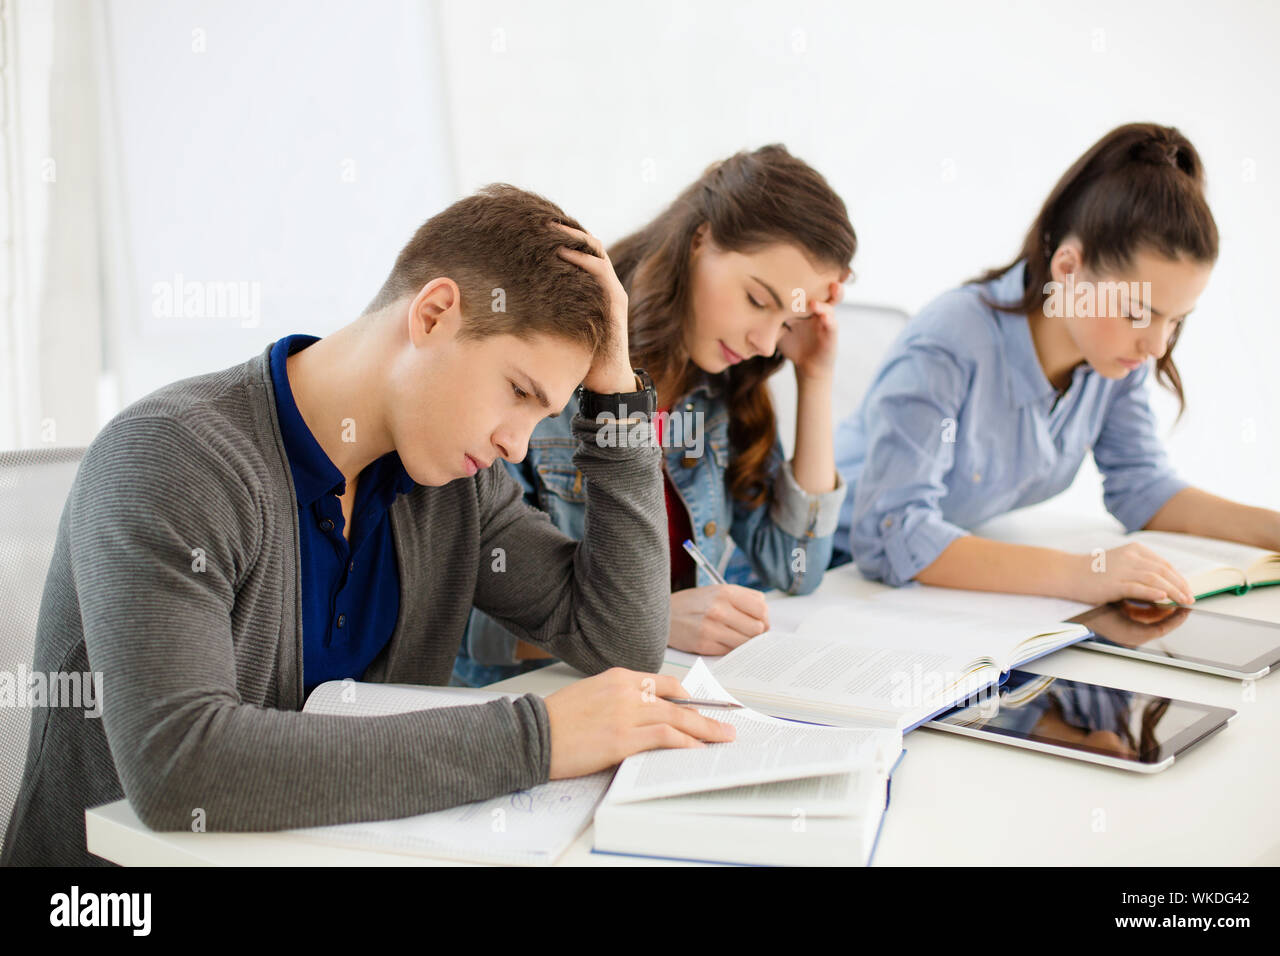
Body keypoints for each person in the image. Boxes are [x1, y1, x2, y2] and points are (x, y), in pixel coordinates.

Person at [1, 185, 734, 867]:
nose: (517, 442)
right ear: (434, 313)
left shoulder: (454, 485)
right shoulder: (171, 456)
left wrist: (616, 391)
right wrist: (536, 740)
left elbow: (620, 640)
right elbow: (180, 766)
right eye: (518, 391)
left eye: (543, 413)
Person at [834, 123, 1280, 603]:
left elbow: (1143, 487)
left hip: (914, 591)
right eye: (1138, 311)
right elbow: (892, 532)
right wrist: (1082, 574)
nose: (1157, 346)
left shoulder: (1112, 358)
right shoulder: (950, 340)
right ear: (1069, 270)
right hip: (821, 572)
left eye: (1176, 321)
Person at [454, 145, 856, 686]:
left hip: (672, 684)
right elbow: (472, 626)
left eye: (790, 320)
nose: (765, 343)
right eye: (759, 300)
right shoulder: (554, 372)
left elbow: (796, 566)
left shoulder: (722, 390)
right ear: (700, 240)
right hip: (542, 695)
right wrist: (654, 622)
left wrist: (815, 376)